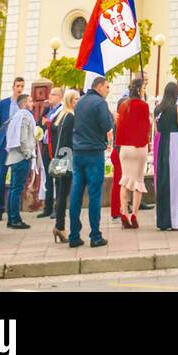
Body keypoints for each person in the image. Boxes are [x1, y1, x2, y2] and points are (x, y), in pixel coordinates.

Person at [68, 75, 114, 249]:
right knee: (94, 193)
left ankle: (74, 235)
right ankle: (95, 235)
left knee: (76, 194)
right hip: (94, 152)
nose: (108, 91)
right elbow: (106, 126)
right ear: (99, 86)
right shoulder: (99, 103)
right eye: (107, 87)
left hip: (78, 151)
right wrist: (111, 117)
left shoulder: (80, 102)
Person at [154, 79, 178, 231]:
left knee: (162, 179)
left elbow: (156, 130)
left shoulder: (157, 109)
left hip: (161, 142)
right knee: (175, 180)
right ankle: (174, 220)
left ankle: (162, 219)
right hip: (174, 142)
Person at [115, 76, 150, 229]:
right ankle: (134, 213)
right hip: (139, 147)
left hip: (125, 148)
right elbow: (145, 127)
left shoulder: (123, 105)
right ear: (139, 89)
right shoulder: (143, 105)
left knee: (124, 180)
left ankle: (123, 211)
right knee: (138, 181)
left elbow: (120, 127)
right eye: (143, 88)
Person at [0, 76, 25, 221]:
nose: (20, 89)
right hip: (4, 144)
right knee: (1, 177)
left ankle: (14, 209)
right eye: (18, 86)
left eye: (22, 86)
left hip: (17, 145)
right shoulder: (4, 103)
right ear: (13, 87)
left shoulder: (23, 104)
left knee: (16, 178)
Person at [5, 92, 37, 229]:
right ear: (24, 103)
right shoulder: (24, 115)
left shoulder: (16, 115)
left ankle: (11, 218)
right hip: (20, 157)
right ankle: (15, 219)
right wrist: (27, 153)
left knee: (13, 189)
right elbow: (22, 137)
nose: (32, 104)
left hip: (14, 156)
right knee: (17, 189)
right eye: (30, 101)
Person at [51, 89, 79, 243]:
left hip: (61, 157)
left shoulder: (62, 115)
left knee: (62, 193)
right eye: (76, 99)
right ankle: (60, 226)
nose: (78, 101)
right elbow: (68, 140)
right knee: (63, 193)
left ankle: (59, 226)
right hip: (66, 158)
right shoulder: (70, 116)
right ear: (69, 101)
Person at [38, 87, 63, 218]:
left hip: (57, 149)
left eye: (54, 94)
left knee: (58, 179)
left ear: (60, 97)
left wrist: (47, 124)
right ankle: (47, 207)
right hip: (46, 147)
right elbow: (39, 124)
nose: (50, 96)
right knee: (48, 179)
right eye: (51, 93)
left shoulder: (62, 111)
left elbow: (59, 128)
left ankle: (57, 209)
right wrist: (44, 124)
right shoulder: (48, 110)